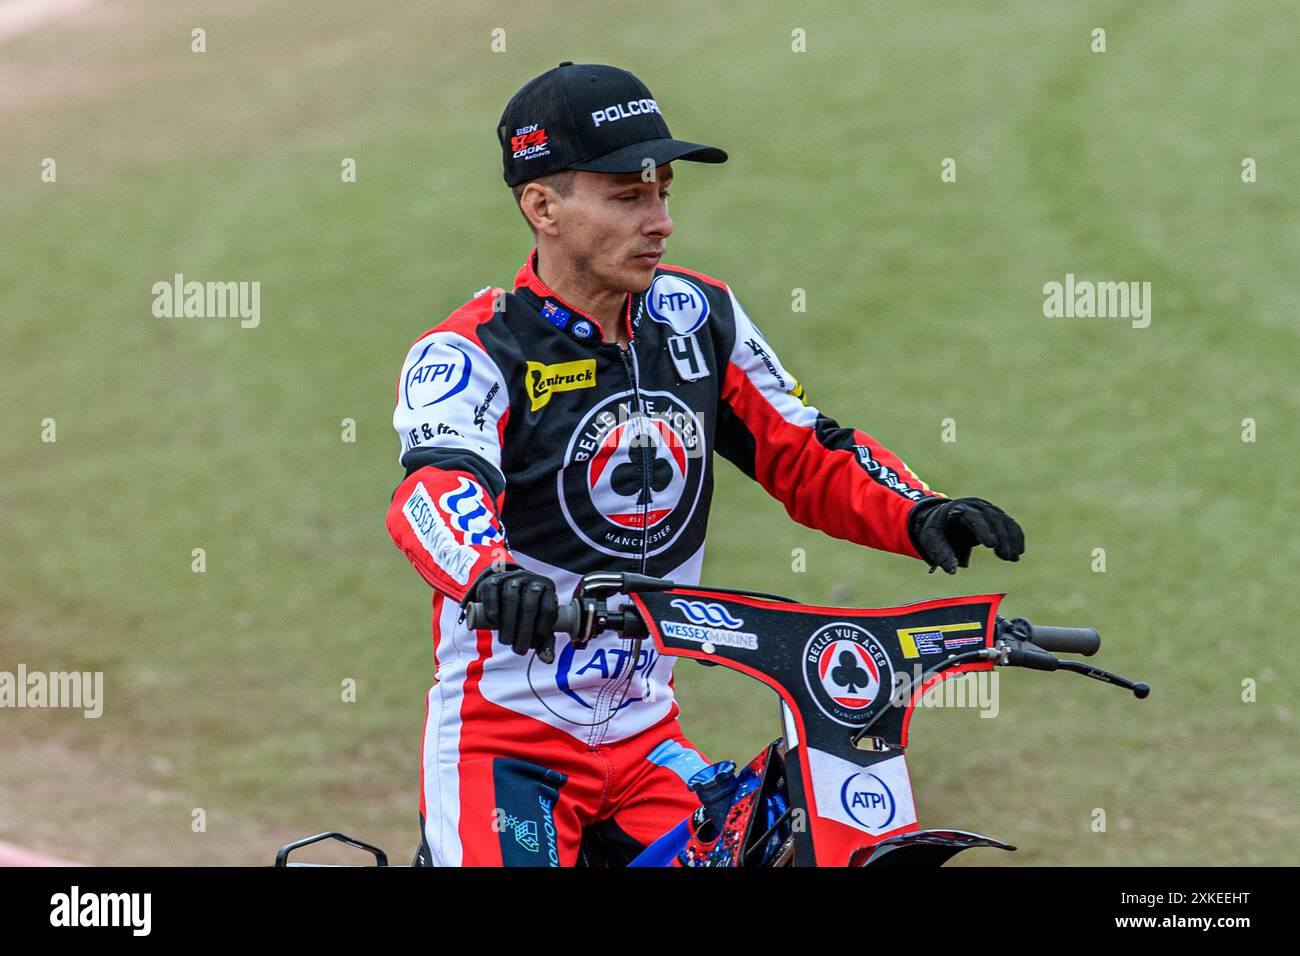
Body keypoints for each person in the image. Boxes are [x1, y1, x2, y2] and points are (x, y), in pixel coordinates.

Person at [385, 62, 1024, 866]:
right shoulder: (473, 349)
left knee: (787, 840)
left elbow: (803, 449)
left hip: (647, 743)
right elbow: (434, 490)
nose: (660, 222)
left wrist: (917, 511)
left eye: (663, 192)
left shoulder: (699, 317)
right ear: (541, 205)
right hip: (504, 749)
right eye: (627, 197)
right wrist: (488, 576)